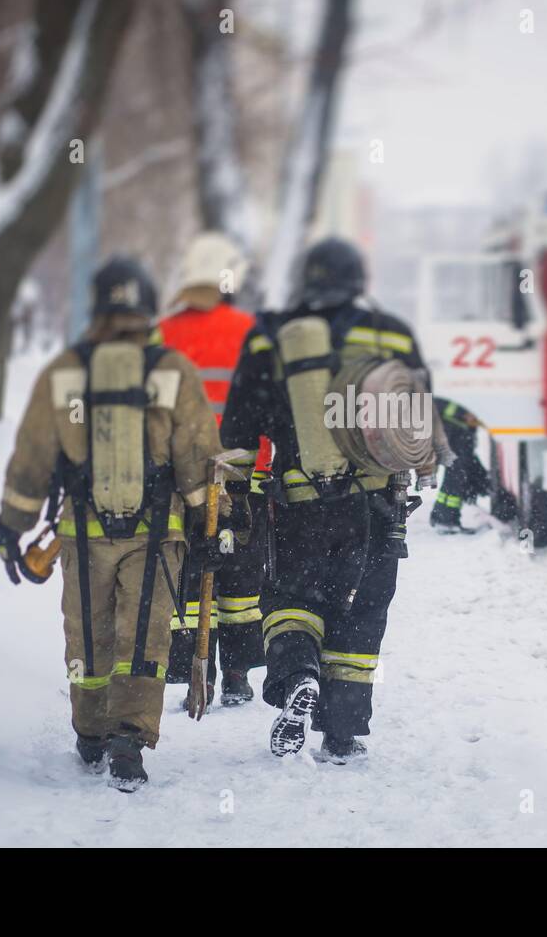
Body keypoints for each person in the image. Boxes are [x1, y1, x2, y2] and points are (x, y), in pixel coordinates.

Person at [0, 256, 223, 791]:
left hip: (82, 532)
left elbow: (32, 457)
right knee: (144, 636)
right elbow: (198, 460)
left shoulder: (65, 371)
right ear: (147, 307)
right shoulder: (172, 370)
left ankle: (91, 732)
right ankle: (129, 739)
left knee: (88, 637)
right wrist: (213, 528)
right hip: (156, 533)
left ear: (96, 307)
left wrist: (12, 526)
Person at [221, 237, 432, 762]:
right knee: (360, 612)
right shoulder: (389, 334)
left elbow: (241, 428)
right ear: (359, 281)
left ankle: (296, 677)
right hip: (378, 506)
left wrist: (238, 492)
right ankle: (340, 733)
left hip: (299, 503)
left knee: (292, 599)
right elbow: (420, 426)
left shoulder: (271, 336)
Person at [156, 231, 272, 710]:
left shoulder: (162, 333)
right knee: (241, 577)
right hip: (241, 471)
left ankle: (183, 667)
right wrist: (265, 464)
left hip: (178, 473)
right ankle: (238, 675)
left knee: (184, 568)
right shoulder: (250, 331)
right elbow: (268, 404)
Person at [428, 397, 490, 534]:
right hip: (452, 432)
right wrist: (463, 413)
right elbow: (439, 402)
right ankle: (445, 518)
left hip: (458, 432)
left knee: (463, 471)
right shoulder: (445, 387)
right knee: (457, 474)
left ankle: (443, 516)